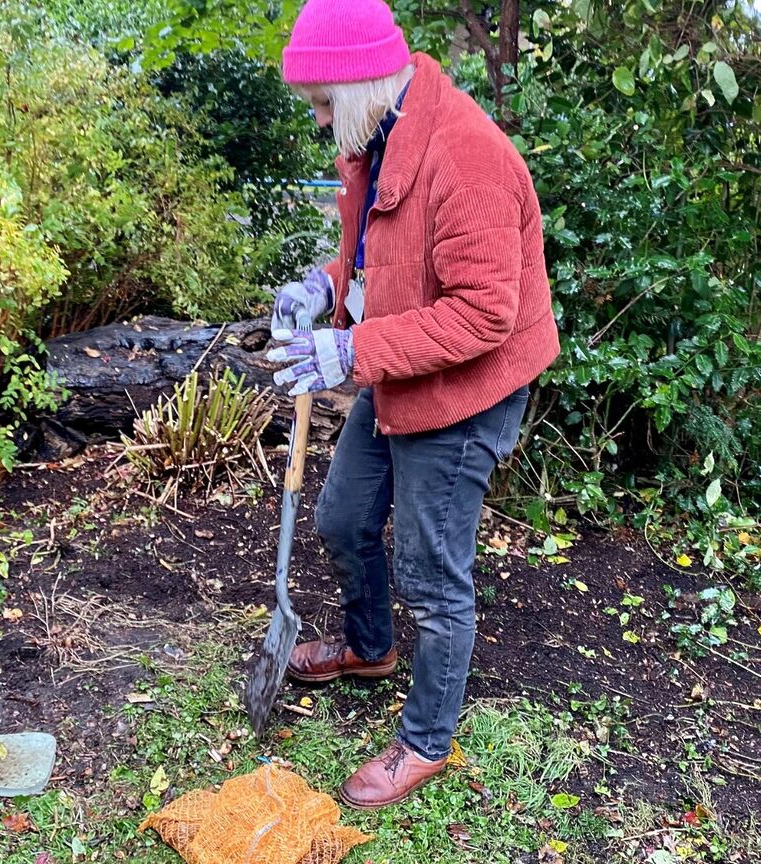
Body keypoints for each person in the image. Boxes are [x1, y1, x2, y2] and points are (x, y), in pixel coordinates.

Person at [264, 0, 560, 810]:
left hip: (467, 389)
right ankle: (369, 648)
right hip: (403, 364)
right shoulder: (382, 133)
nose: (321, 120)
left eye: (325, 103)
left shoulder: (464, 157)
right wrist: (321, 287)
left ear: (360, 85)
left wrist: (350, 351)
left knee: (432, 573)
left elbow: (484, 313)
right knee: (342, 518)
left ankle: (427, 739)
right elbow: (370, 251)